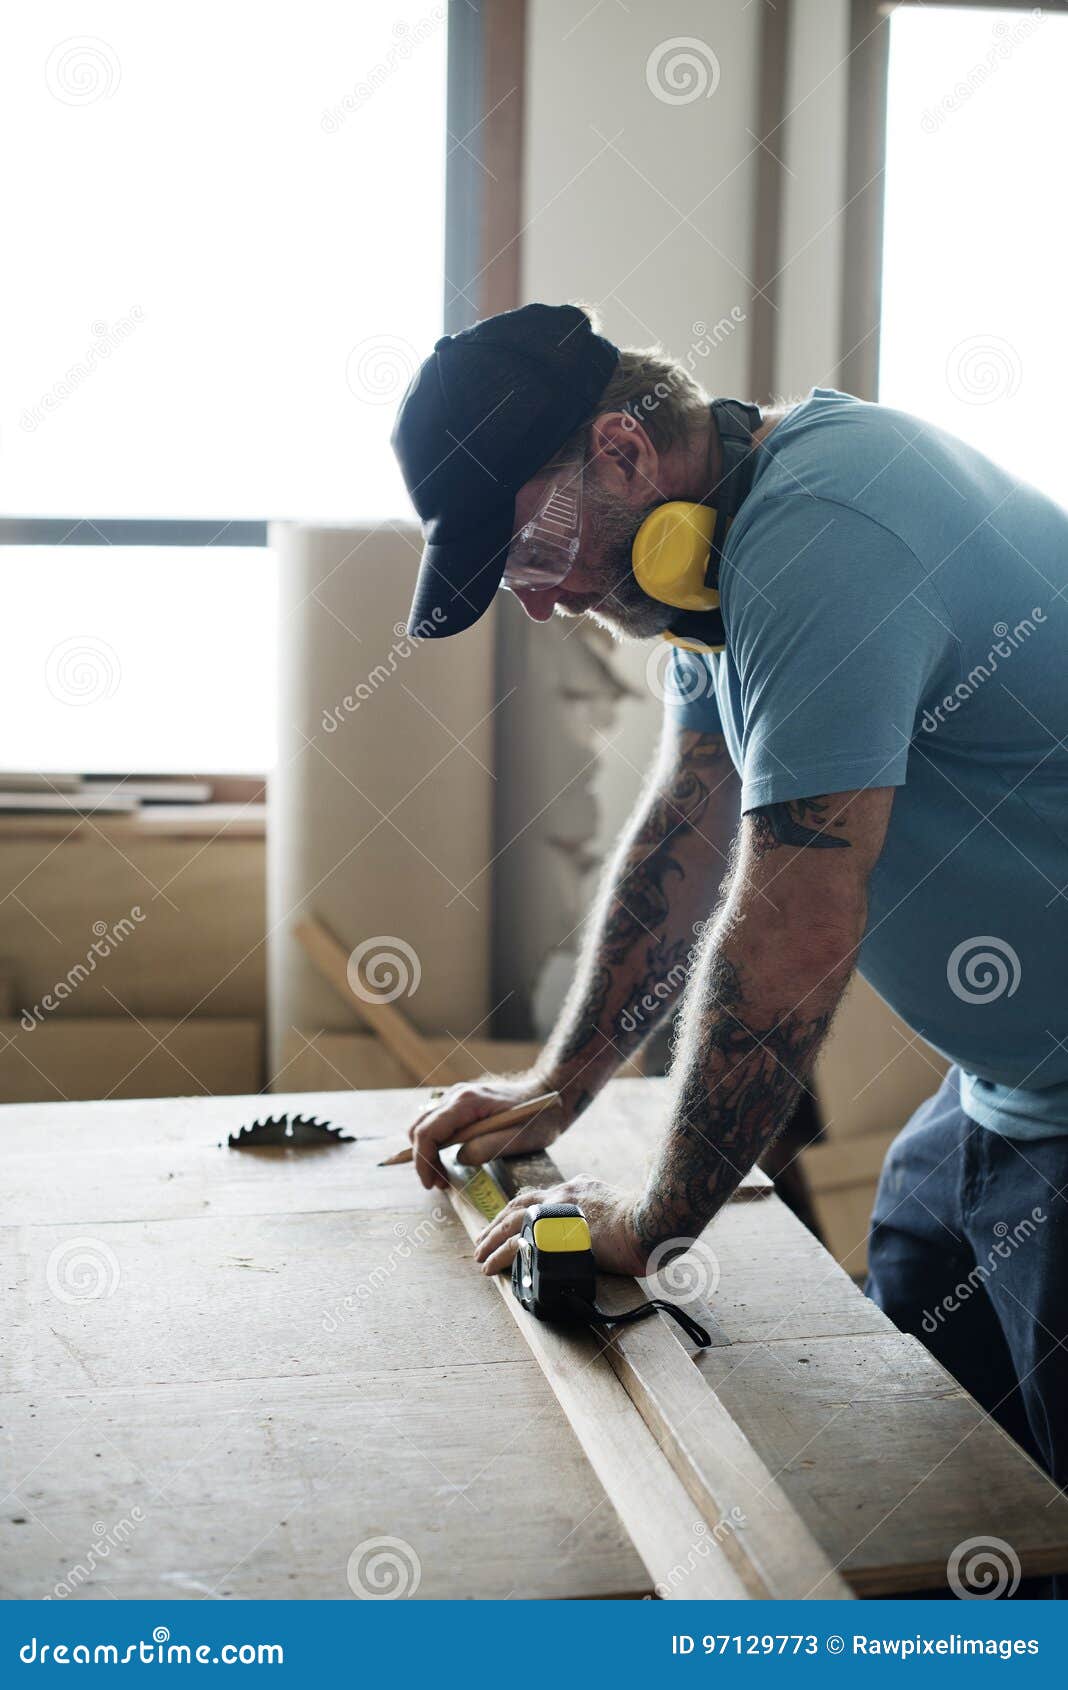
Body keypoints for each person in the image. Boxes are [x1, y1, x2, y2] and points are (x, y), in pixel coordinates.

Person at [390, 301, 1068, 1492]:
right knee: (931, 1461)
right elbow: (687, 834)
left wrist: (652, 1224)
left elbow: (796, 927)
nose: (540, 601)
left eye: (537, 554)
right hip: (1005, 1092)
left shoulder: (822, 535)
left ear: (622, 452)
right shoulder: (721, 557)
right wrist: (562, 1082)